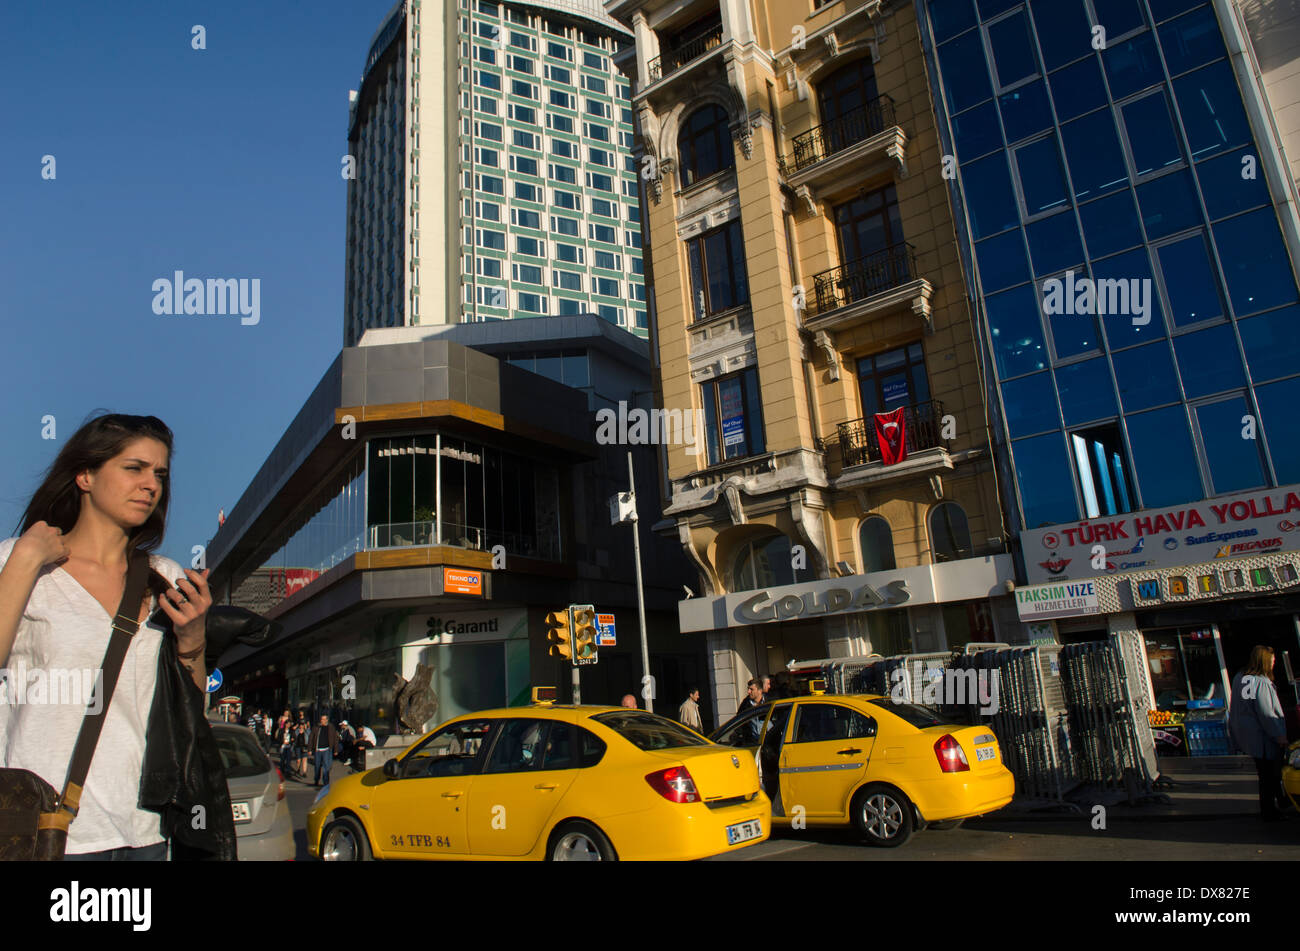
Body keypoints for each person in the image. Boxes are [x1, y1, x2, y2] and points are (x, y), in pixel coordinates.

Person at [0, 413, 235, 860]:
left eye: (160, 474)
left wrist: (194, 640)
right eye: (134, 468)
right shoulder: (20, 561)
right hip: (41, 828)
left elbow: (189, 710)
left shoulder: (163, 577)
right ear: (85, 475)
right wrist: (29, 556)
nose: (151, 485)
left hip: (142, 830)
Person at [1228, 645, 1290, 821]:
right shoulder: (1261, 681)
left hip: (1248, 735)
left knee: (1264, 773)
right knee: (1270, 774)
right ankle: (1271, 809)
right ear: (1264, 660)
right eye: (1272, 659)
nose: (1274, 662)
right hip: (1263, 736)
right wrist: (1279, 735)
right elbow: (1266, 712)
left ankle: (1277, 803)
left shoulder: (1240, 677)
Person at [310, 715, 338, 787]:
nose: (322, 720)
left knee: (326, 766)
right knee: (317, 766)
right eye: (321, 719)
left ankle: (326, 782)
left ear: (327, 720)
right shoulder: (316, 727)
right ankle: (316, 780)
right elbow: (311, 738)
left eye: (323, 719)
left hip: (327, 749)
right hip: (318, 750)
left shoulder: (331, 727)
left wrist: (335, 750)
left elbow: (335, 738)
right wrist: (309, 749)